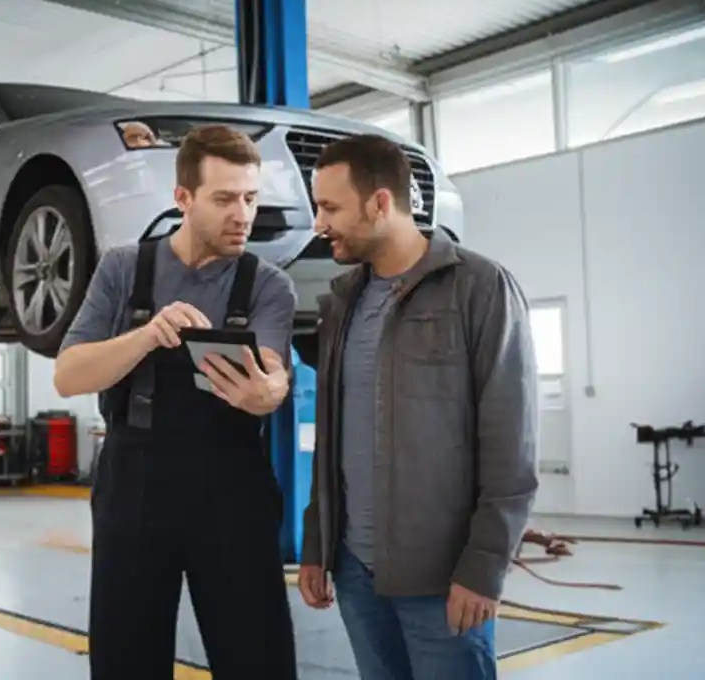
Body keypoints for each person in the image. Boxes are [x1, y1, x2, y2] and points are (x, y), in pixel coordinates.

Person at [54, 124, 300, 679]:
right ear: (182, 199)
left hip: (232, 485)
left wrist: (271, 390)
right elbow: (68, 375)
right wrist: (147, 335)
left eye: (250, 198)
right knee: (126, 658)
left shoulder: (268, 285)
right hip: (134, 483)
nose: (243, 215)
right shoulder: (123, 269)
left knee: (256, 657)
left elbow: (271, 373)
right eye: (224, 199)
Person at [296, 134, 539, 679]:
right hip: (356, 573)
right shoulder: (341, 303)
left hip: (444, 575)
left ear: (381, 203)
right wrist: (317, 544)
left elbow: (511, 444)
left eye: (330, 208)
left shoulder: (478, 287)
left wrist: (484, 567)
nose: (319, 223)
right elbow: (332, 435)